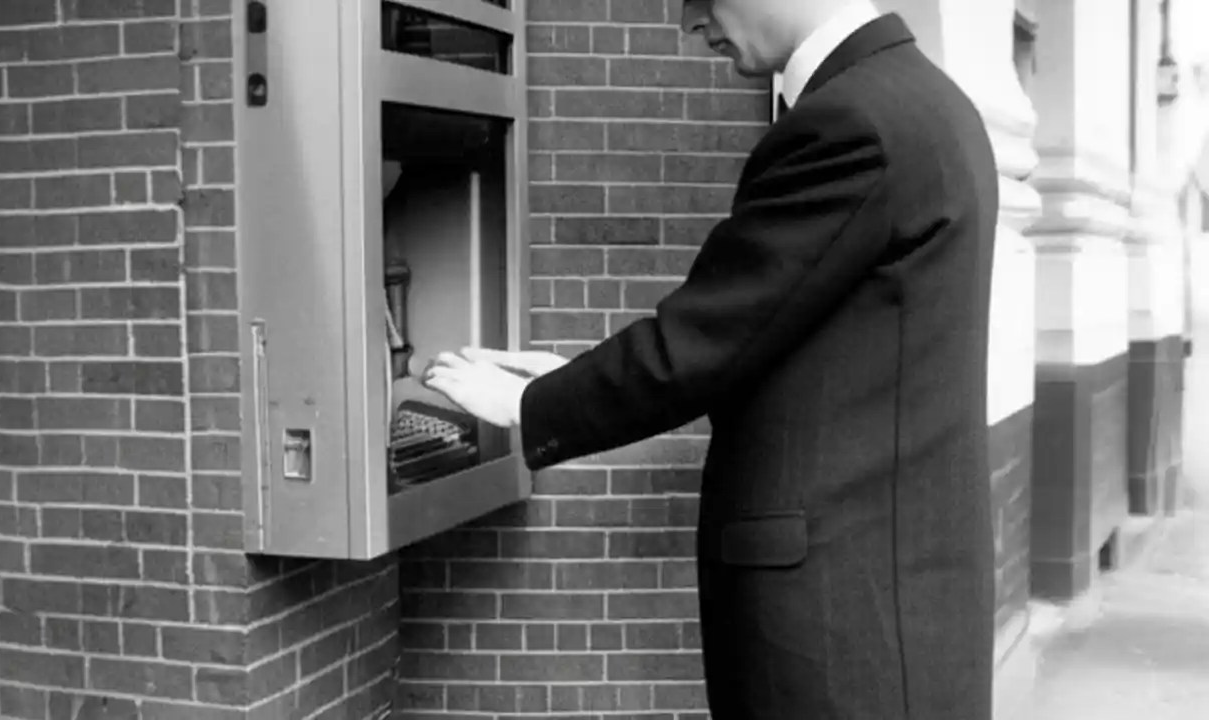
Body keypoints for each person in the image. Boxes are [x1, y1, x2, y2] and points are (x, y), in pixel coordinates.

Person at [424, 0, 998, 717]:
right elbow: (774, 335)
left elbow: (710, 335)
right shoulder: (927, 102)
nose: (692, 20)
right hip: (889, 602)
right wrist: (569, 377)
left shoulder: (852, 124)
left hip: (841, 625)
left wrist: (532, 406)